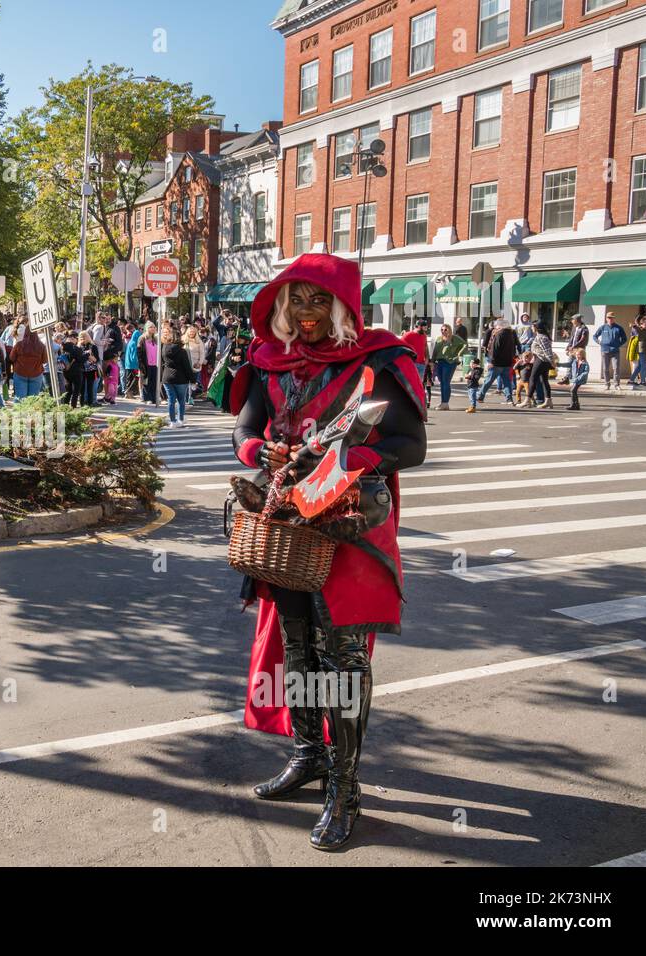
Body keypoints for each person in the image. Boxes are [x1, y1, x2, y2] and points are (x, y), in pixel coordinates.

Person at [229, 252, 427, 851]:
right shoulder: (271, 362)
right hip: (287, 526)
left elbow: (410, 444)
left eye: (319, 300)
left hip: (350, 530)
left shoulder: (379, 360)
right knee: (296, 649)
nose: (306, 313)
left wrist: (349, 457)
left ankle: (345, 789)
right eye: (296, 301)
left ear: (343, 306)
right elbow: (245, 427)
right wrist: (257, 450)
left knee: (342, 659)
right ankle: (310, 755)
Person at [161, 325, 195, 427]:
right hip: (181, 379)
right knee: (181, 400)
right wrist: (192, 380)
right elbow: (187, 367)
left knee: (171, 400)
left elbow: (163, 362)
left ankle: (172, 421)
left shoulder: (164, 348)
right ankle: (180, 419)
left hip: (167, 378)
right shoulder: (182, 351)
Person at [477, 317, 516, 404]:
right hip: (507, 362)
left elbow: (495, 349)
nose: (495, 327)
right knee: (507, 382)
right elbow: (513, 349)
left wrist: (491, 361)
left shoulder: (499, 334)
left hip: (497, 363)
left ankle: (480, 396)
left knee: (489, 380)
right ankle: (509, 399)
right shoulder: (511, 335)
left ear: (501, 326)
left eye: (497, 326)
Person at [429, 322, 466, 410]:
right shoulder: (439, 339)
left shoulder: (454, 338)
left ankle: (445, 403)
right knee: (442, 382)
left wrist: (457, 355)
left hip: (449, 363)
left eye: (445, 329)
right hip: (439, 362)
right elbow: (435, 351)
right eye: (442, 329)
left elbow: (464, 345)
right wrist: (432, 361)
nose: (443, 331)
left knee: (445, 382)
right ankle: (443, 403)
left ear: (449, 330)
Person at [10, 328, 47, 399]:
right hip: (36, 373)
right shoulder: (41, 346)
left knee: (20, 398)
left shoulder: (19, 345)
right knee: (32, 399)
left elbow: (12, 358)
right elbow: (45, 360)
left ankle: (19, 410)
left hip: (20, 372)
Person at [526, 321, 556, 409]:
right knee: (544, 381)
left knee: (532, 378)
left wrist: (552, 362)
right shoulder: (541, 336)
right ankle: (548, 401)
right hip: (542, 360)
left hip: (542, 360)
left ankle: (527, 400)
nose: (531, 328)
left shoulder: (541, 337)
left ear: (536, 328)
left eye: (532, 326)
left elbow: (547, 351)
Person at [593, 313, 625, 390]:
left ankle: (617, 384)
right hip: (605, 350)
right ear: (606, 318)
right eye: (609, 318)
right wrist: (599, 342)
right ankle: (607, 384)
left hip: (615, 351)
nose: (610, 319)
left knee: (616, 368)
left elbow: (624, 338)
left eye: (612, 318)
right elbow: (595, 336)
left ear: (614, 319)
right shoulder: (603, 327)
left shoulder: (618, 328)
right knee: (605, 368)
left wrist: (618, 344)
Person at [137, 322, 160, 404]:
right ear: (147, 328)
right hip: (146, 364)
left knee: (154, 381)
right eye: (151, 327)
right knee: (146, 381)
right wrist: (141, 365)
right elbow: (139, 353)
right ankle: (147, 398)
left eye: (154, 327)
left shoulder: (156, 339)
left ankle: (154, 398)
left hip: (155, 364)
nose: (153, 328)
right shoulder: (142, 338)